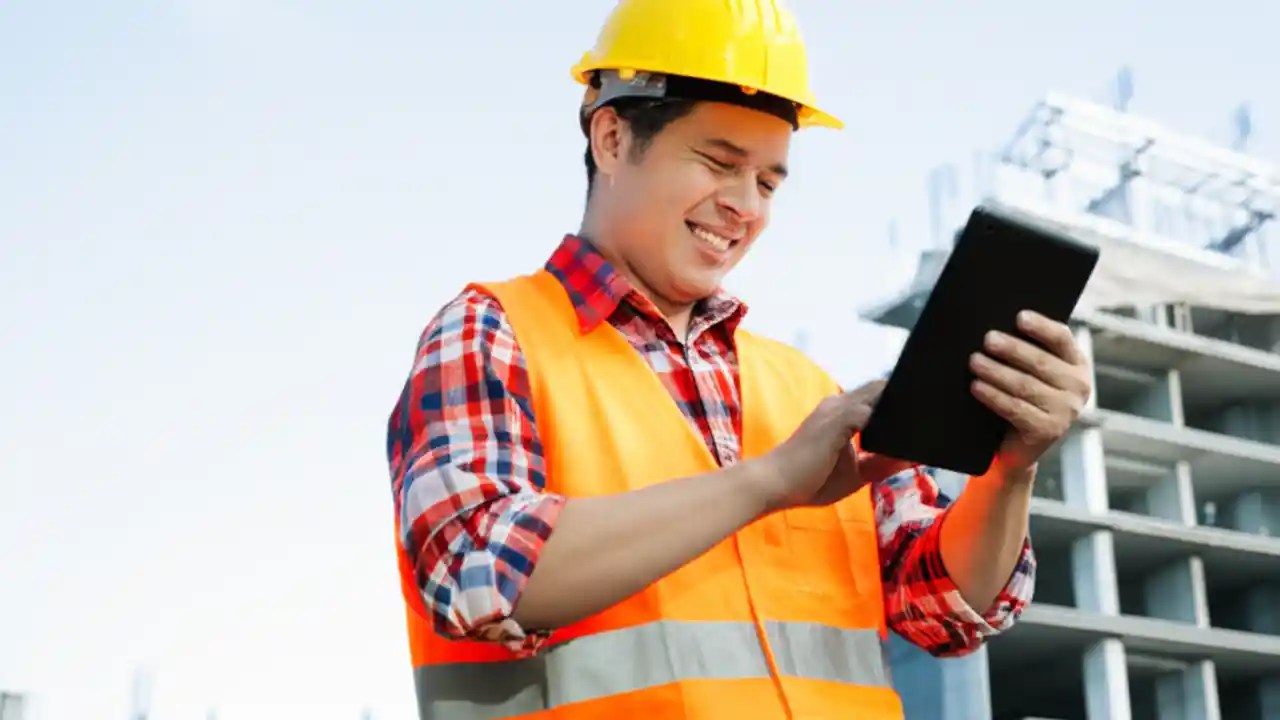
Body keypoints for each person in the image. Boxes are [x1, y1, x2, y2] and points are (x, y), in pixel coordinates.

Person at [385, 1, 1093, 718]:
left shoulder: (804, 390)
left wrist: (1010, 468)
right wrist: (770, 483)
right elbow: (475, 571)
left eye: (769, 182)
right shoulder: (492, 334)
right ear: (611, 136)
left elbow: (943, 609)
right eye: (719, 163)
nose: (745, 206)